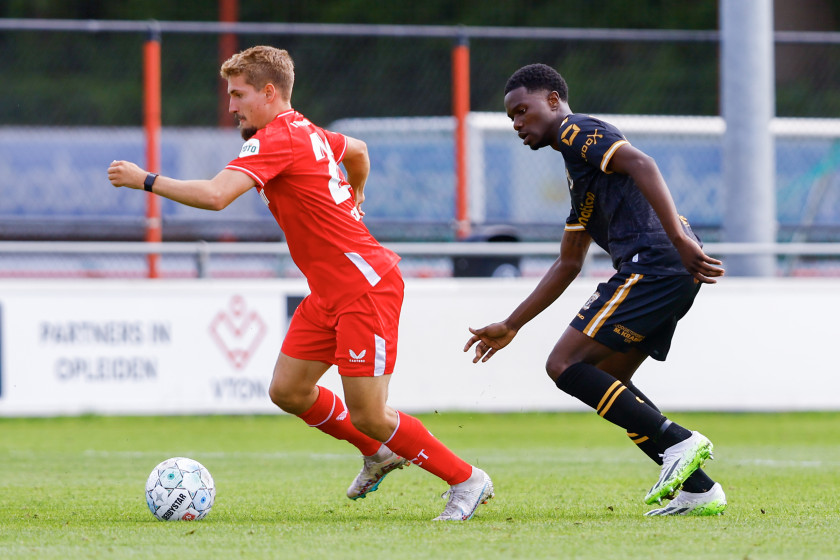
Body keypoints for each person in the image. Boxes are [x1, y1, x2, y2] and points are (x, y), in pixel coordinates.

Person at [108, 45, 493, 521]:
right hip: (329, 292)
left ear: (270, 93)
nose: (231, 106)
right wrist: (357, 191)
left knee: (371, 412)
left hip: (365, 287)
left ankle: (466, 479)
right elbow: (358, 150)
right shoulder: (305, 132)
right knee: (288, 390)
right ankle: (378, 453)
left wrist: (144, 179)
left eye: (238, 94)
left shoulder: (274, 139)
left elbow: (215, 196)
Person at [464, 63, 726, 516]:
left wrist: (679, 241)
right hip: (668, 269)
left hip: (654, 263)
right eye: (511, 119)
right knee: (612, 380)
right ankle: (700, 490)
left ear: (552, 100)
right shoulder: (580, 172)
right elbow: (569, 261)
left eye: (522, 111)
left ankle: (680, 442)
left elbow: (642, 162)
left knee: (563, 364)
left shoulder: (574, 130)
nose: (518, 125)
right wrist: (512, 324)